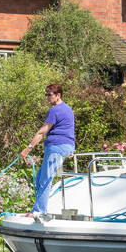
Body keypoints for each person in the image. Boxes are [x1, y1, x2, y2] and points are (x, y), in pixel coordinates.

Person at [21, 83, 76, 217]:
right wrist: (69, 149)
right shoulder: (68, 109)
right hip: (64, 147)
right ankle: (39, 208)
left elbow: (42, 132)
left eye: (49, 95)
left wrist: (27, 149)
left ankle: (38, 211)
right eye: (46, 94)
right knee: (40, 177)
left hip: (56, 148)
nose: (47, 97)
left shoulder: (55, 110)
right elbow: (69, 130)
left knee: (45, 179)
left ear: (58, 95)